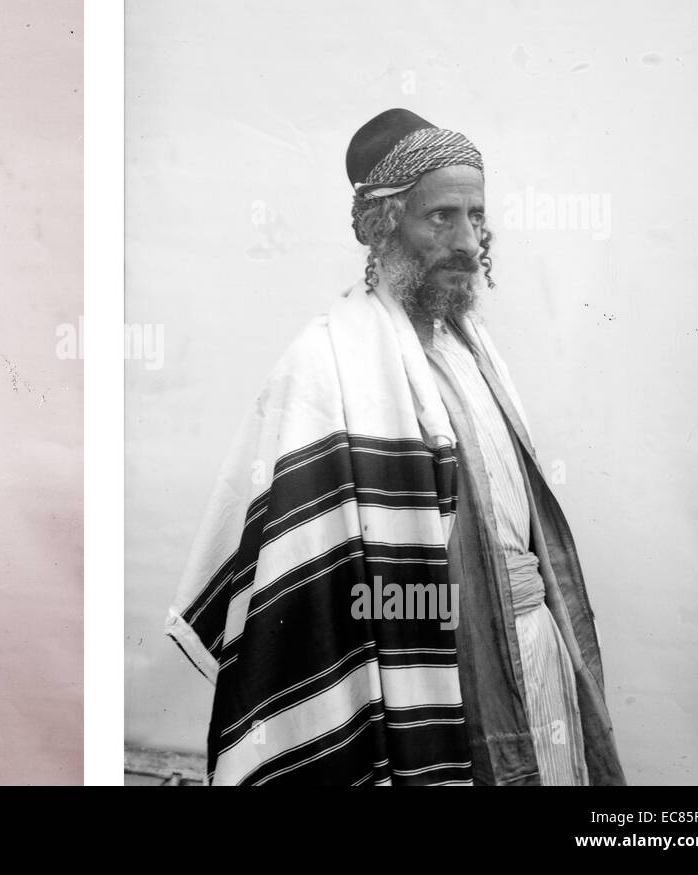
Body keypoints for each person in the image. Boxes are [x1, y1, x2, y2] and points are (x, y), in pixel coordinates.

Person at [166, 108, 625, 786]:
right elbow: (307, 578)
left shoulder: (474, 349)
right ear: (383, 224)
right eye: (442, 217)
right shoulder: (326, 362)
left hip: (532, 653)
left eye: (476, 216)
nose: (467, 239)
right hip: (426, 666)